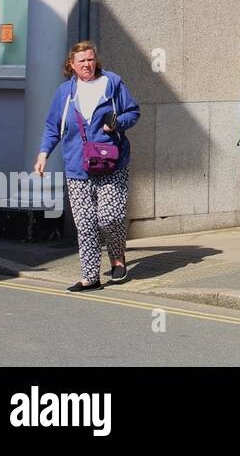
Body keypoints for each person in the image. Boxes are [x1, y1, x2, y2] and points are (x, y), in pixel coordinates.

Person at [35, 42, 141, 292]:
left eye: (90, 59)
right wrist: (43, 154)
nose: (87, 64)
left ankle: (117, 256)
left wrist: (116, 122)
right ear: (71, 65)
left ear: (96, 61)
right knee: (85, 223)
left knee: (110, 217)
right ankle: (90, 276)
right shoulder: (65, 93)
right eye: (81, 61)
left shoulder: (112, 83)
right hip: (77, 166)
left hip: (112, 164)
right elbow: (53, 127)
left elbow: (133, 112)